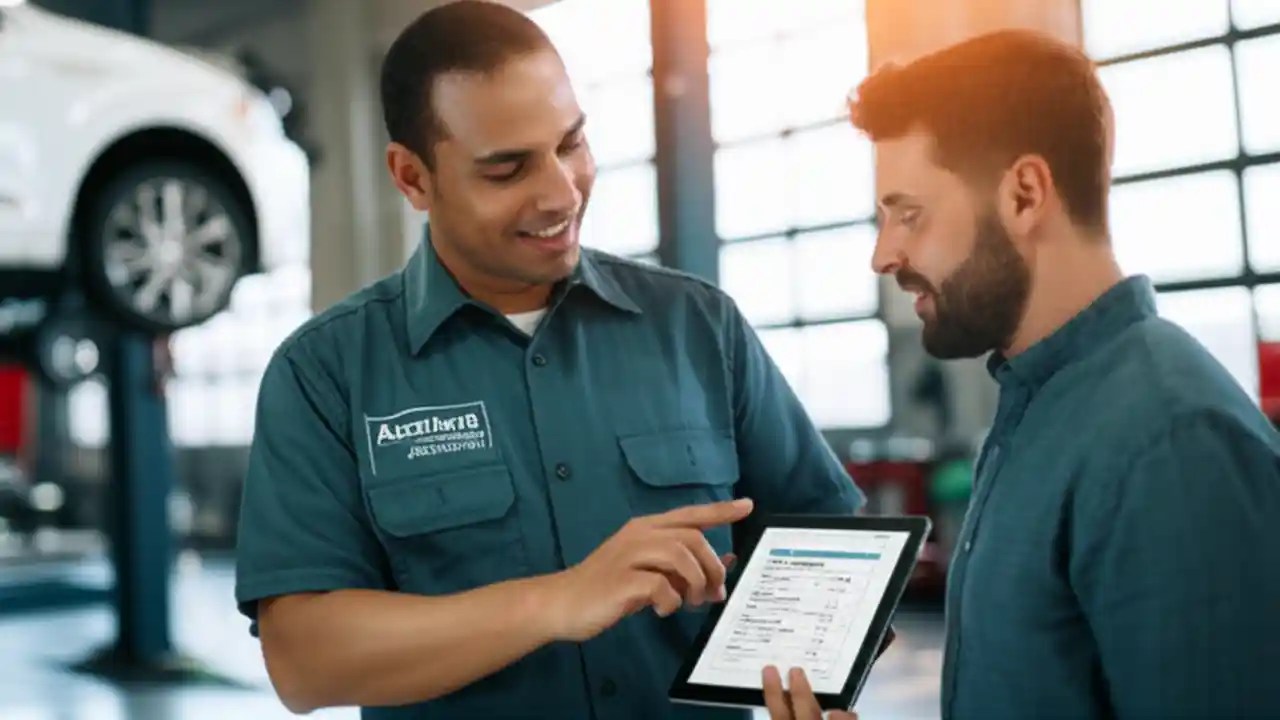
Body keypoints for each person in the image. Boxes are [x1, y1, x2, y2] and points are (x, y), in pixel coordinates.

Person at [233, 2, 864, 719]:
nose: (561, 192)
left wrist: (818, 680)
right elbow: (304, 661)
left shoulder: (697, 329)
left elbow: (828, 547)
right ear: (411, 178)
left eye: (571, 144)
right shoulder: (328, 374)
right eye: (507, 170)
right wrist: (558, 601)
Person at [845, 29, 1280, 719]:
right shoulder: (1035, 409)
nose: (884, 254)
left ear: (1024, 194)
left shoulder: (1172, 442)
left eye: (910, 214)